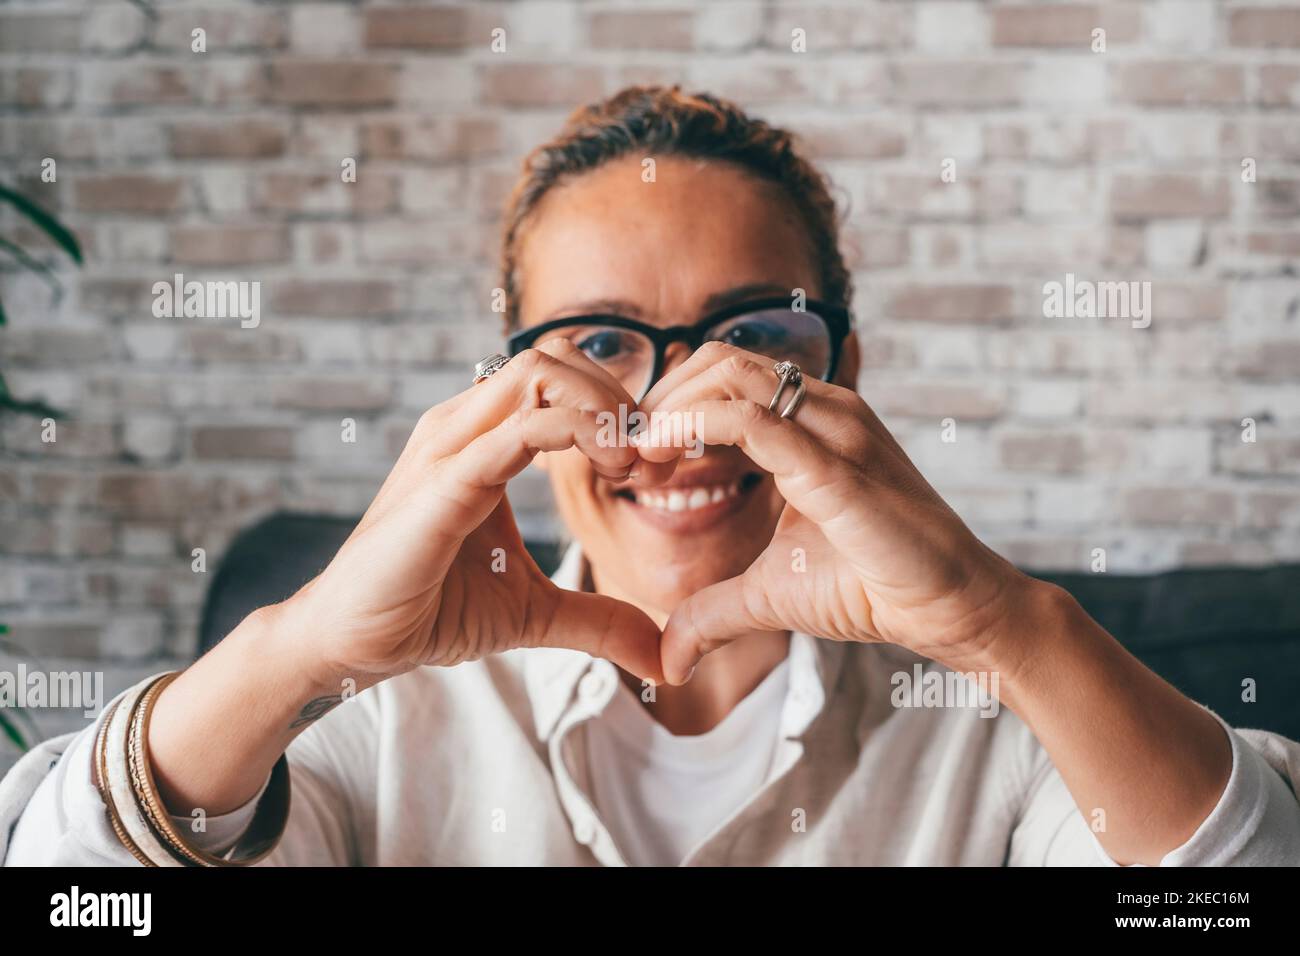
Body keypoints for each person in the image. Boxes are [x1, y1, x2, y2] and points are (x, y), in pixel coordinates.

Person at [3, 86, 1299, 867]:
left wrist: (1012, 629)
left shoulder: (1004, 728)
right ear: (505, 391)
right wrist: (299, 652)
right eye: (603, 346)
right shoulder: (368, 725)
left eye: (754, 342)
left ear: (844, 374)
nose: (686, 419)